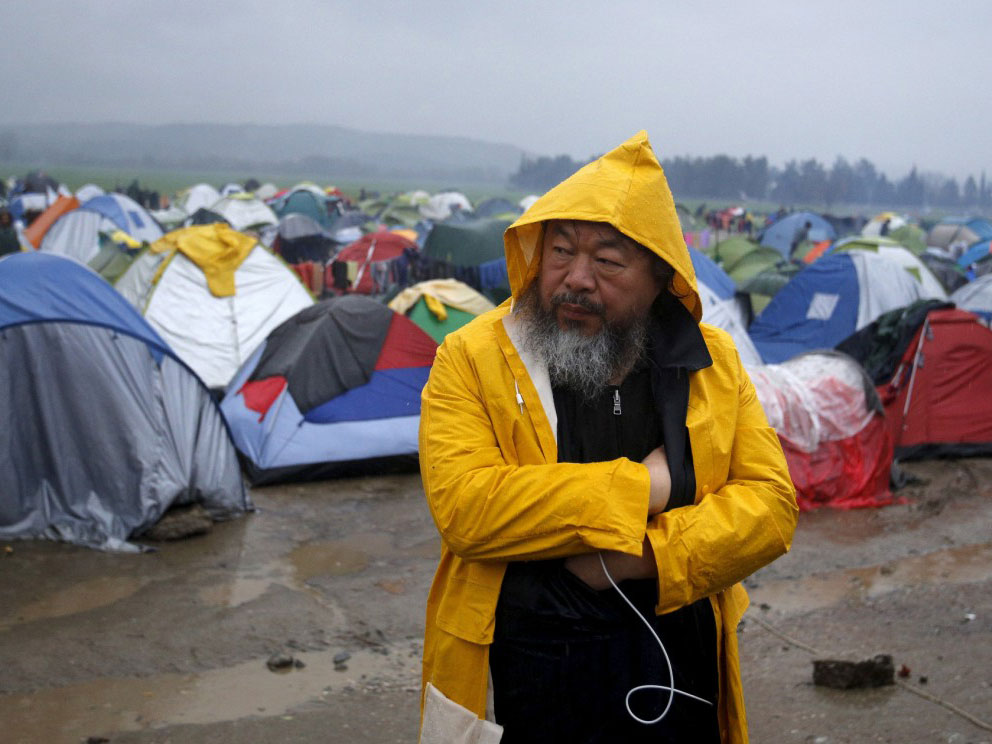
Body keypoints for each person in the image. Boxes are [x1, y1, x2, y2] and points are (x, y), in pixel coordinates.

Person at [417, 131, 798, 744]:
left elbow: (771, 508)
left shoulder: (712, 364)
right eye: (560, 251)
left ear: (661, 275)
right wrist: (646, 485)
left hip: (676, 663)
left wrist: (635, 559)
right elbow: (468, 508)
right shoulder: (471, 357)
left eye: (609, 262)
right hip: (524, 669)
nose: (576, 279)